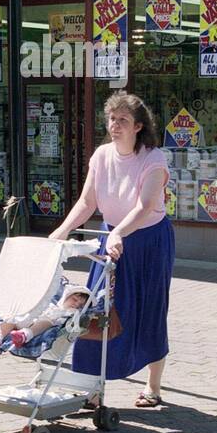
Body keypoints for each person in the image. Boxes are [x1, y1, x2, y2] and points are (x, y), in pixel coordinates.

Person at [49, 92, 174, 408]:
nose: (115, 125)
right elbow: (87, 202)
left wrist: (118, 233)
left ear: (138, 127)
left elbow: (145, 206)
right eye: (112, 119)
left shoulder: (153, 159)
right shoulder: (102, 156)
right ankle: (91, 389)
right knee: (96, 311)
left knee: (148, 309)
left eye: (123, 120)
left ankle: (153, 387)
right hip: (112, 240)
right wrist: (62, 231)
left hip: (148, 242)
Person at [0, 289, 90, 355]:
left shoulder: (69, 312)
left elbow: (74, 317)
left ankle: (24, 335)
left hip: (44, 322)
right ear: (67, 296)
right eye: (74, 300)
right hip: (28, 316)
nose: (76, 304)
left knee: (46, 322)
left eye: (80, 305)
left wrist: (75, 312)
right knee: (10, 320)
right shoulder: (53, 303)